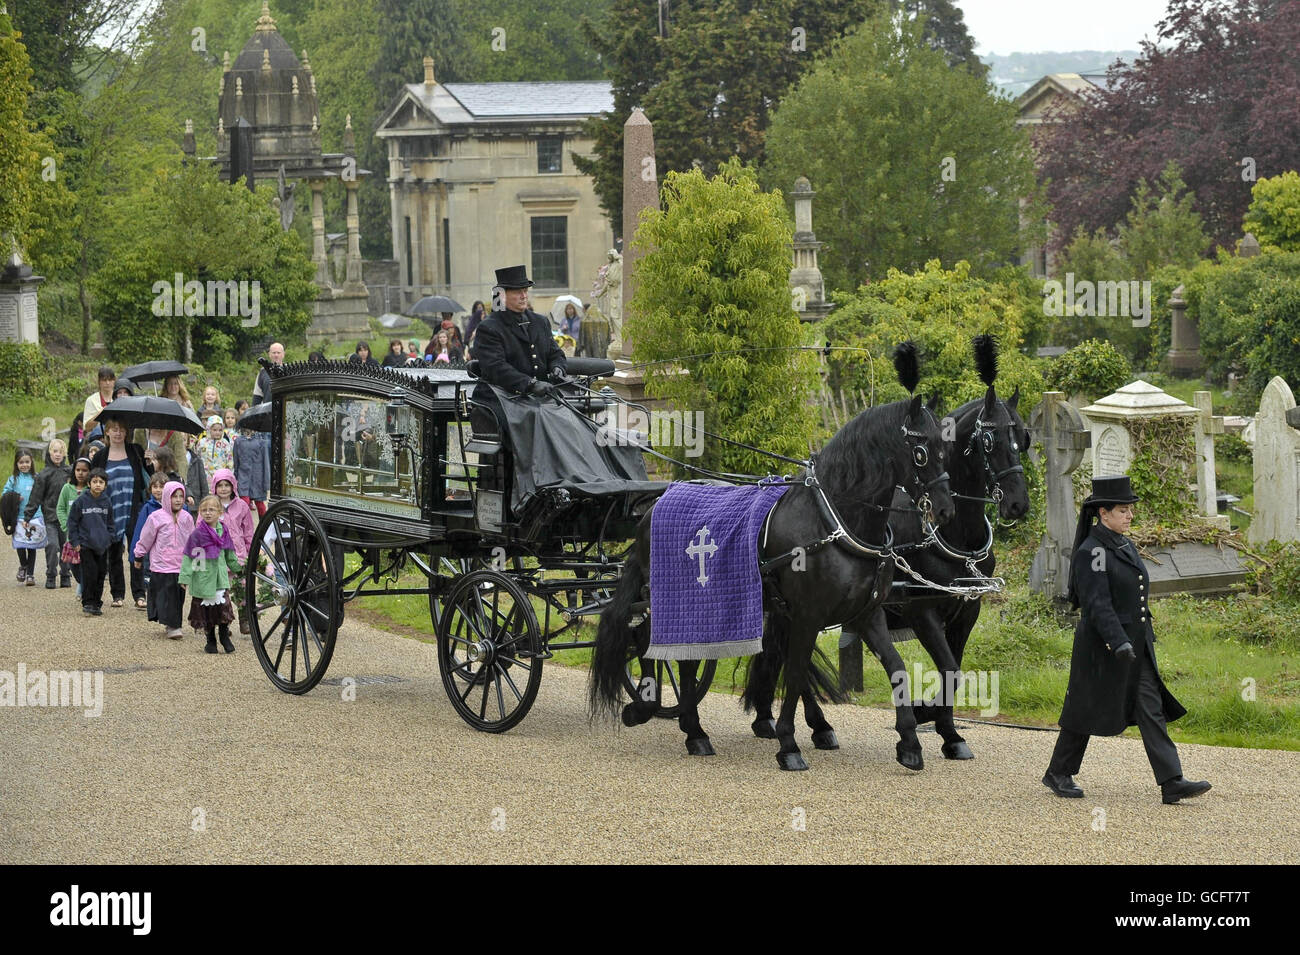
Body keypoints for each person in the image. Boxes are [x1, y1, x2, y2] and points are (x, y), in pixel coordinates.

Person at [1044, 474, 1211, 805]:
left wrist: (1134, 639)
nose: (1130, 515)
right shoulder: (1091, 552)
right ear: (1103, 513)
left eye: (1130, 510)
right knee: (1085, 709)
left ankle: (1171, 781)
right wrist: (1117, 641)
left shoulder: (1121, 542)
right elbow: (1097, 603)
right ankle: (1058, 772)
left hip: (1135, 645)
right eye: (1123, 510)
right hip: (1103, 647)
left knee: (1151, 707)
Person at [471, 264, 566, 400]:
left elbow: (555, 354)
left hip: (542, 396)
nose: (524, 296)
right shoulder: (489, 327)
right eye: (517, 292)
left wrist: (558, 367)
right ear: (502, 295)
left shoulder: (540, 321)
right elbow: (495, 367)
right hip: (502, 397)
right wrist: (530, 384)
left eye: (525, 291)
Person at [88, 418, 152, 609]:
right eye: (114, 430)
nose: (117, 433)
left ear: (126, 433)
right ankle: (117, 594)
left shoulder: (136, 451)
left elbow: (147, 477)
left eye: (121, 430)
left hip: (133, 507)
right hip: (111, 509)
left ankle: (139, 593)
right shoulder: (100, 456)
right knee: (114, 552)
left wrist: (150, 461)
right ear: (106, 432)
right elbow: (95, 482)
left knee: (136, 551)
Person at [179, 494, 240, 654]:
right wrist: (185, 577)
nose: (208, 513)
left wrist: (239, 568)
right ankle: (210, 639)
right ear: (200, 512)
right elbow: (188, 557)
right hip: (203, 578)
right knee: (207, 612)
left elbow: (230, 553)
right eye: (204, 510)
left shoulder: (224, 531)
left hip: (220, 578)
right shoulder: (197, 535)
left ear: (220, 512)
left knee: (224, 608)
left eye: (212, 510)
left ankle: (224, 636)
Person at [134, 481, 193, 640]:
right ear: (167, 497)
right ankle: (174, 626)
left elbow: (192, 540)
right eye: (174, 496)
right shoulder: (156, 517)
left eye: (181, 496)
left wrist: (195, 559)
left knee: (178, 597)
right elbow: (146, 538)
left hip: (180, 565)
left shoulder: (187, 518)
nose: (179, 500)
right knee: (165, 596)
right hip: (161, 565)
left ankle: (172, 623)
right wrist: (139, 555)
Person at [23, 438, 72, 589]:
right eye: (55, 451)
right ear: (50, 453)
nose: (58, 454)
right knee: (52, 545)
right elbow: (35, 496)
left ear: (64, 454)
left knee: (66, 546)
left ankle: (65, 575)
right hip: (50, 517)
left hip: (66, 519)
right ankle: (51, 574)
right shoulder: (43, 475)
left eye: (60, 451)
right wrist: (27, 516)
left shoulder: (70, 472)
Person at [212, 468, 255, 634]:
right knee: (222, 592)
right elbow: (200, 528)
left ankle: (245, 621)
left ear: (233, 486)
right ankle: (225, 622)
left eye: (227, 485)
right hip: (218, 556)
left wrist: (251, 552)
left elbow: (248, 531)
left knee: (242, 589)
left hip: (238, 556)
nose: (223, 489)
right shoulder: (210, 504)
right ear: (214, 487)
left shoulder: (242, 506)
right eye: (220, 485)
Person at [67, 468, 114, 616]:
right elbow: (72, 522)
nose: (98, 485)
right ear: (89, 483)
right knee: (90, 574)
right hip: (86, 545)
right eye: (94, 482)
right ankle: (87, 602)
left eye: (101, 482)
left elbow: (111, 523)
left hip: (102, 545)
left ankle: (96, 603)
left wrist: (109, 538)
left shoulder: (106, 502)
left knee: (101, 574)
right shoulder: (81, 501)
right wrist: (75, 541)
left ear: (105, 485)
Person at [130, 471, 169, 610]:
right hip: (151, 549)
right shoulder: (148, 507)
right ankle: (151, 602)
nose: (158, 490)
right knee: (149, 576)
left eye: (162, 486)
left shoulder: (174, 506)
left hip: (167, 549)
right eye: (155, 487)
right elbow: (140, 531)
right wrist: (135, 553)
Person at [57, 456, 92, 596]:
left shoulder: (90, 491)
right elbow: (60, 508)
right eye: (78, 470)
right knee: (73, 564)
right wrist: (67, 526)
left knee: (86, 562)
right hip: (71, 536)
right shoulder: (67, 488)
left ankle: (85, 587)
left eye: (84, 470)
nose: (81, 473)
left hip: (87, 535)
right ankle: (81, 581)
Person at [6, 449, 38, 584]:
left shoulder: (36, 478)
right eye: (21, 462)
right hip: (17, 517)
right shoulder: (13, 479)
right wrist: (15, 497)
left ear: (31, 462)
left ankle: (30, 574)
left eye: (27, 462)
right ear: (16, 464)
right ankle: (23, 565)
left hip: (35, 516)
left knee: (32, 545)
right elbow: (5, 494)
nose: (24, 465)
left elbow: (42, 494)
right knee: (20, 544)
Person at [233, 417, 270, 518]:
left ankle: (263, 529)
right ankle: (245, 529)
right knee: (244, 503)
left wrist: (266, 483)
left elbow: (266, 463)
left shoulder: (262, 442)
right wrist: (235, 479)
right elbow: (236, 462)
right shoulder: (238, 442)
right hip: (243, 477)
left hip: (258, 479)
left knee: (260, 505)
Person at [196, 415, 234, 480]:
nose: (217, 432)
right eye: (214, 430)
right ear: (209, 429)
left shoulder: (225, 443)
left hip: (221, 477)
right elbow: (197, 457)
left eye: (220, 430)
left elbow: (230, 460)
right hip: (204, 476)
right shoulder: (202, 442)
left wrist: (229, 475)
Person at [82, 366, 116, 437]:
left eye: (110, 380)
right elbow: (87, 427)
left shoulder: (118, 397)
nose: (107, 383)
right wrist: (102, 413)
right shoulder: (91, 400)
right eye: (104, 380)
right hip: (98, 439)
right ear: (99, 382)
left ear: (114, 381)